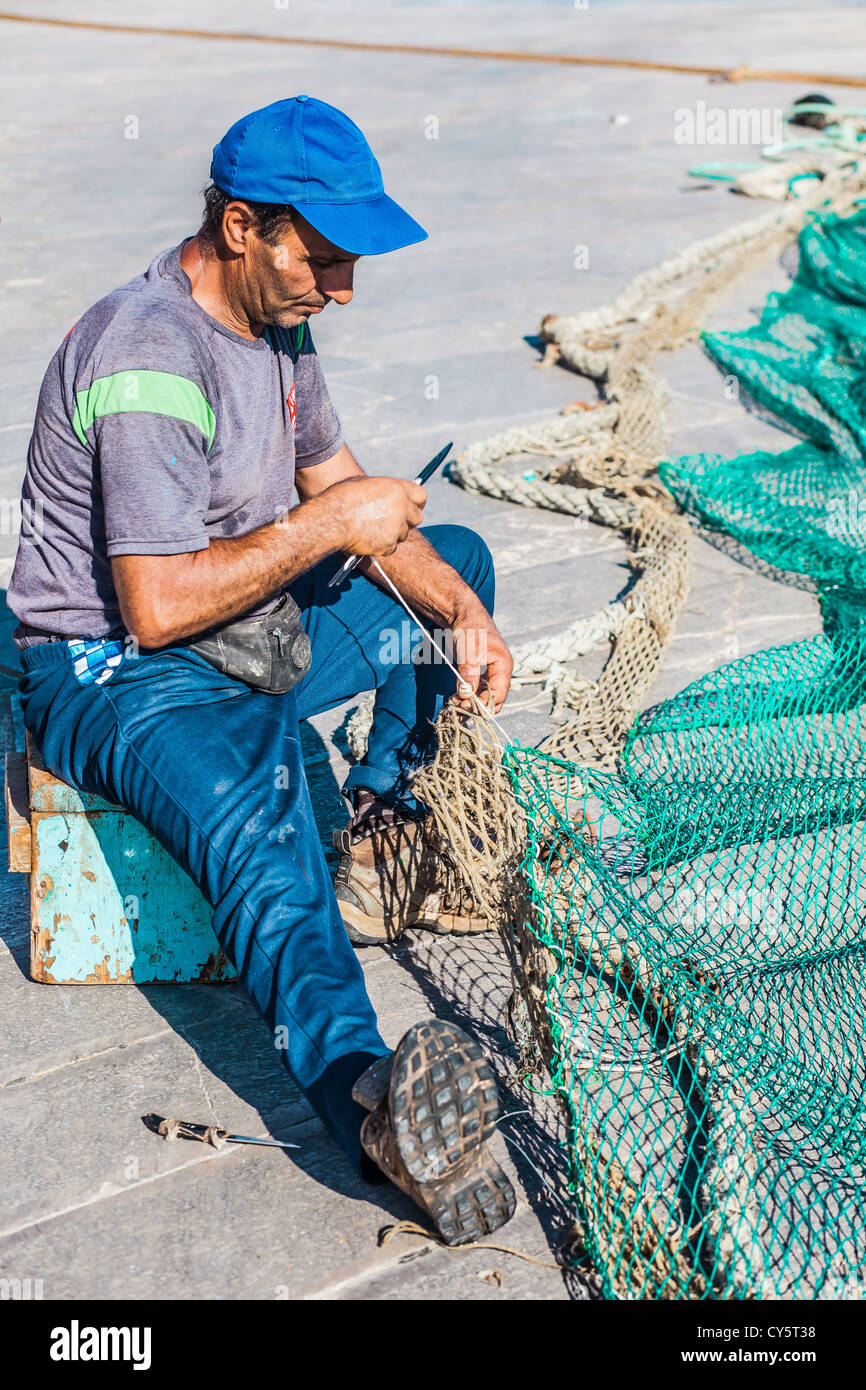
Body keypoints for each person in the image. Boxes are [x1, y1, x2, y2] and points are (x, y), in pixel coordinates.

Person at [7, 96, 516, 1245]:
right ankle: (366, 1102)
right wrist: (334, 518)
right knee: (266, 836)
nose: (337, 291)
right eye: (321, 261)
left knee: (448, 569)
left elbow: (339, 483)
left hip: (243, 621)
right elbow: (157, 604)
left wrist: (459, 607)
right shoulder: (146, 351)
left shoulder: (276, 327)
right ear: (241, 226)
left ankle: (382, 834)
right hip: (118, 670)